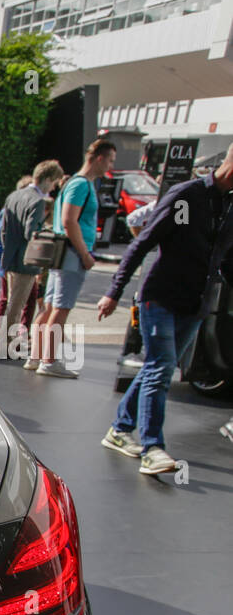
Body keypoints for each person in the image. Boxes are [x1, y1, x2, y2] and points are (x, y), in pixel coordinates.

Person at [97, 142, 233, 476]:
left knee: (156, 368)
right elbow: (143, 243)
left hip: (196, 303)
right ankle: (152, 447)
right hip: (159, 297)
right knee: (162, 365)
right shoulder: (188, 196)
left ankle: (118, 429)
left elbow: (227, 260)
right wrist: (114, 292)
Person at [27, 137, 116, 378]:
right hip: (71, 253)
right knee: (60, 308)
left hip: (63, 253)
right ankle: (49, 360)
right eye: (110, 160)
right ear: (99, 158)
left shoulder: (74, 184)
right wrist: (85, 254)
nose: (110, 166)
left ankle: (37, 357)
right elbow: (69, 220)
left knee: (50, 306)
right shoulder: (81, 185)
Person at [0, 159, 63, 361]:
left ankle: (5, 343)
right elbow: (31, 232)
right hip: (25, 262)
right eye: (53, 184)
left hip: (10, 258)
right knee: (16, 307)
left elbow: (3, 229)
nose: (52, 189)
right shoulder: (37, 201)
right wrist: (47, 232)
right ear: (48, 180)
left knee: (12, 304)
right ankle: (6, 345)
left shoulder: (14, 196)